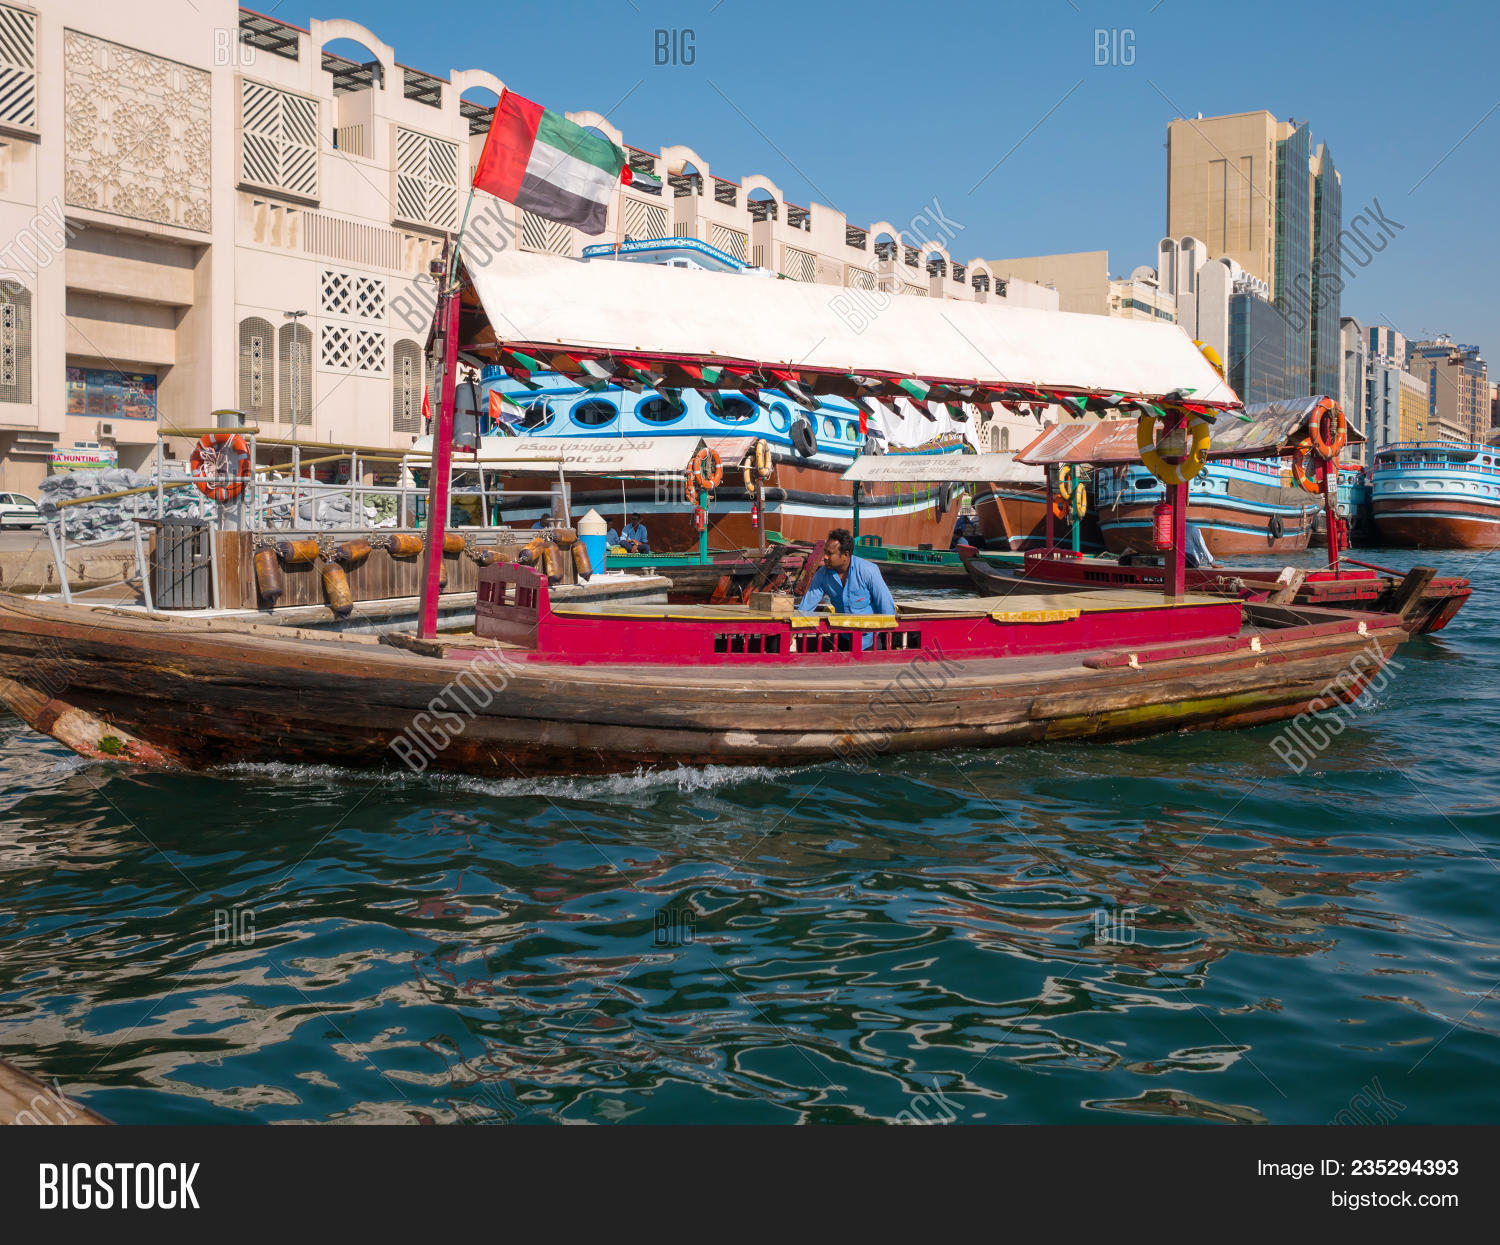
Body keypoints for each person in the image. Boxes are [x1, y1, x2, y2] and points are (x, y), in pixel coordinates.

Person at [797, 528, 896, 649]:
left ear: (846, 555)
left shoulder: (868, 571)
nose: (825, 557)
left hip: (870, 641)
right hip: (842, 638)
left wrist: (886, 643)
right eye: (825, 552)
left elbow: (887, 608)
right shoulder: (822, 575)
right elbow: (805, 608)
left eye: (830, 553)